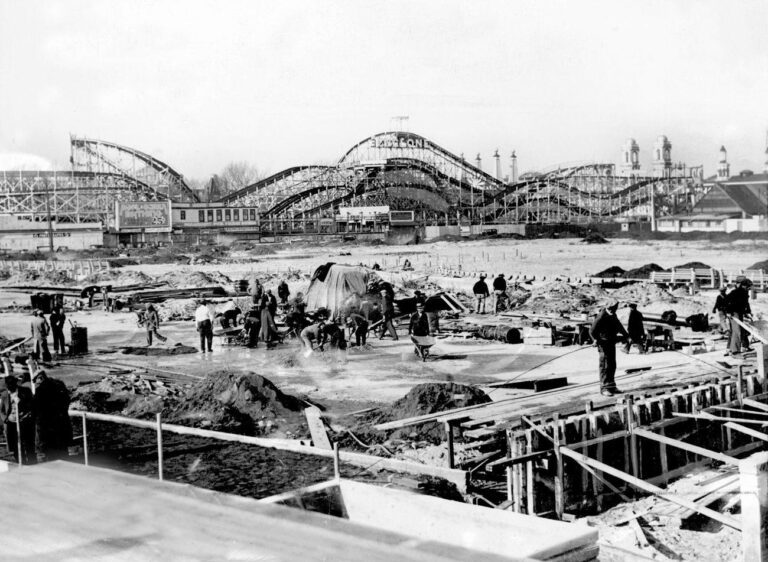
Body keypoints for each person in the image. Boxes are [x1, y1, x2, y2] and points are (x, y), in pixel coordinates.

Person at [589, 300, 629, 396]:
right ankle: (604, 389)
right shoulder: (601, 316)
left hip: (611, 342)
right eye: (614, 308)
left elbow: (619, 326)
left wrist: (626, 335)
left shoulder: (613, 314)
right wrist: (594, 340)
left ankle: (611, 387)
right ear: (609, 307)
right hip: (603, 344)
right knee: (605, 366)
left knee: (612, 364)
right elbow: (591, 331)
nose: (615, 309)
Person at [32, 370, 72, 462]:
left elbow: (36, 409)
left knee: (50, 454)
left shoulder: (40, 390)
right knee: (63, 452)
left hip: (48, 428)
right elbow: (67, 400)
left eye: (35, 380)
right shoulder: (59, 384)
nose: (36, 383)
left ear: (40, 378)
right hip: (62, 423)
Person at [0, 375, 35, 464]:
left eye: (11, 385)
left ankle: (32, 464)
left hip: (24, 422)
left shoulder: (25, 391)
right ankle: (21, 463)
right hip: (11, 423)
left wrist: (26, 412)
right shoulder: (4, 395)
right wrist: (6, 419)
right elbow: (2, 410)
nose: (9, 387)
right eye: (8, 385)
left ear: (15, 384)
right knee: (15, 447)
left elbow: (32, 406)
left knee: (28, 445)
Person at [726, 279, 753, 356]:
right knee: (737, 331)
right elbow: (727, 301)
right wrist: (728, 311)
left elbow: (745, 303)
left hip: (740, 312)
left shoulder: (744, 292)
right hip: (733, 313)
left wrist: (748, 312)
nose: (749, 288)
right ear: (744, 285)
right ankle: (735, 351)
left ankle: (733, 349)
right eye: (748, 286)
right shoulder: (736, 292)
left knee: (739, 331)